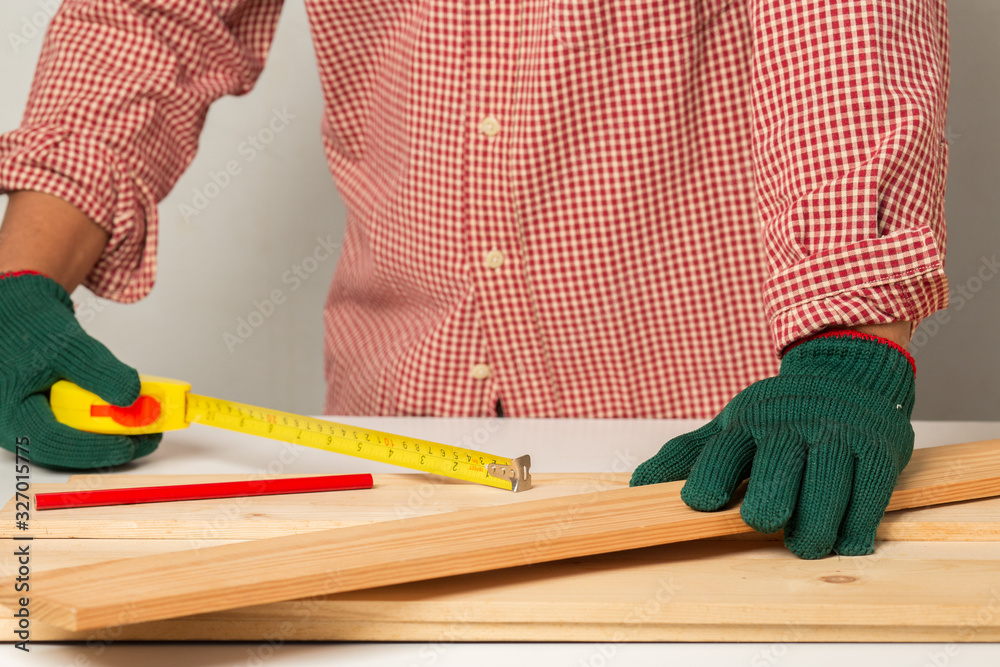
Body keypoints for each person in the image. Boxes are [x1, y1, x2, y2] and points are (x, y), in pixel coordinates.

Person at [0, 1, 949, 559]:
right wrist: (21, 280)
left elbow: (842, 30)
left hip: (723, 438)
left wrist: (851, 334)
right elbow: (152, 16)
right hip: (401, 420)